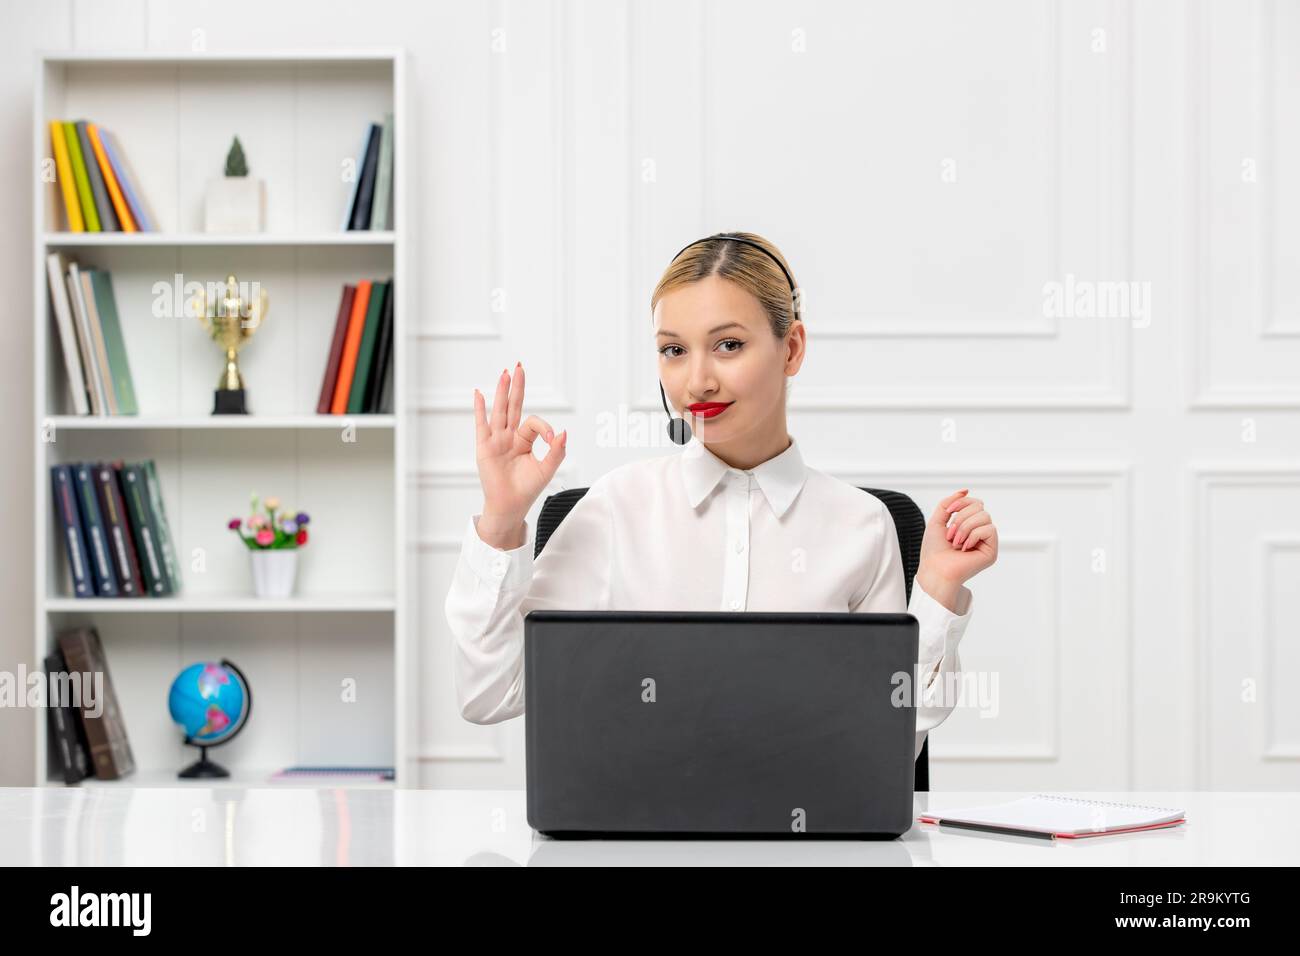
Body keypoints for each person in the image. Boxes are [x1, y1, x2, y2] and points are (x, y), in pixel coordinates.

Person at [444, 231, 998, 762]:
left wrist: (937, 589)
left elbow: (889, 742)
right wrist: (502, 519)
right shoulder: (618, 507)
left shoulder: (862, 524)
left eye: (728, 345)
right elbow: (491, 694)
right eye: (673, 351)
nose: (697, 382)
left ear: (792, 348)